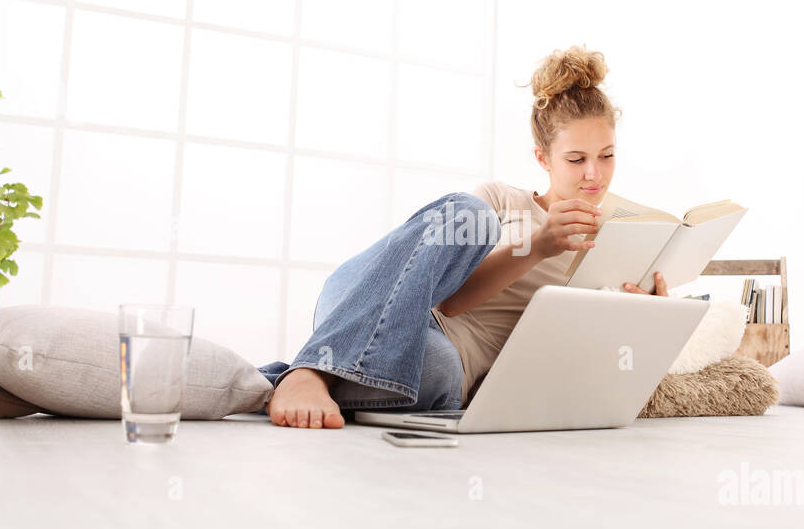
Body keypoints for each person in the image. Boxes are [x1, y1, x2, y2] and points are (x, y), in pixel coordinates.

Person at [258, 44, 669, 428]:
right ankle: (309, 371)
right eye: (576, 159)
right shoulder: (501, 200)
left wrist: (645, 320)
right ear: (543, 158)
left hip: (440, 363)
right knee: (468, 214)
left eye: (607, 156)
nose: (594, 174)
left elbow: (586, 365)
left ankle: (268, 383)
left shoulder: (618, 241)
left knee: (437, 369)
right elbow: (450, 302)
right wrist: (538, 246)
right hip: (375, 303)